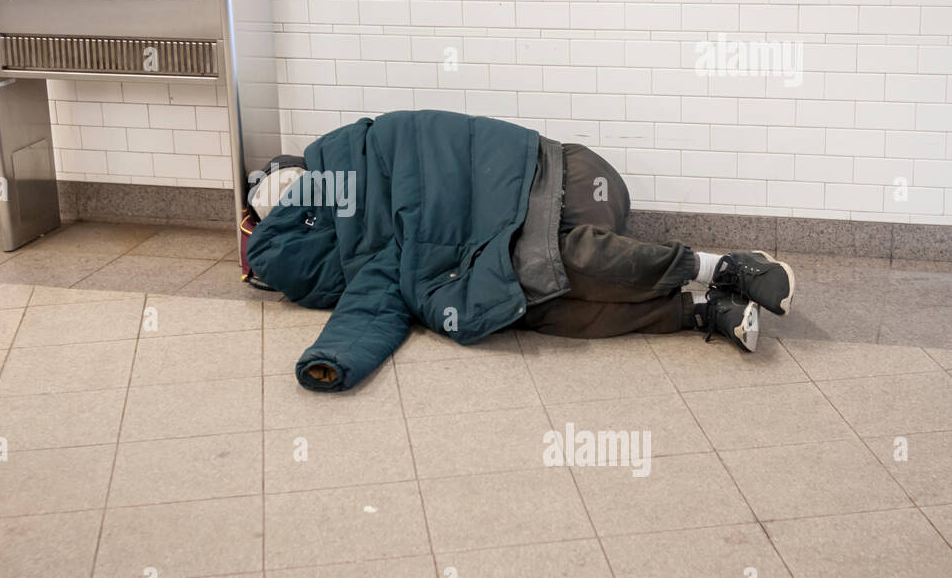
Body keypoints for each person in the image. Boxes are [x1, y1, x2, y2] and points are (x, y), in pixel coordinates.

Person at [243, 110, 794, 393]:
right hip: (530, 214)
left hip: (553, 178)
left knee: (553, 260)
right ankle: (701, 310)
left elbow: (441, 147)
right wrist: (335, 359)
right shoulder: (368, 263)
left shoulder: (358, 147)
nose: (291, 198)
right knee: (533, 304)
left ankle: (722, 265)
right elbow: (367, 312)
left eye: (290, 192)